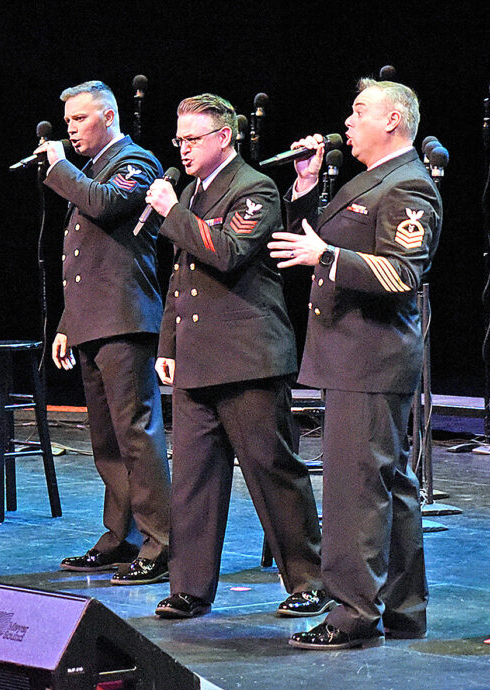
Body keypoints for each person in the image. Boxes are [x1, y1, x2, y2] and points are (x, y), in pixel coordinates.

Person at [142, 94, 327, 620]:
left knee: (273, 473)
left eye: (192, 139)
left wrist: (171, 212)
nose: (182, 149)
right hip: (198, 357)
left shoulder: (255, 188)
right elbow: (181, 279)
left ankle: (308, 580)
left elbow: (225, 252)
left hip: (248, 355)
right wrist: (169, 344)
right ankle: (191, 587)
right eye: (179, 140)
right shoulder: (190, 190)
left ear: (224, 137)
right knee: (195, 479)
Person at [271, 79, 439, 649]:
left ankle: (352, 615)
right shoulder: (372, 181)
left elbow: (403, 273)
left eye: (359, 111)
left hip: (370, 358)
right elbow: (315, 240)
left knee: (356, 493)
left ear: (393, 119)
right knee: (387, 487)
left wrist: (330, 257)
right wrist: (308, 185)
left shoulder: (408, 185)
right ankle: (402, 607)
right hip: (352, 356)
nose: (347, 120)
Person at [35, 81, 172, 585]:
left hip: (125, 319)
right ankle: (121, 537)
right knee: (107, 441)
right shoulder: (87, 171)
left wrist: (59, 169)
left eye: (80, 119)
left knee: (136, 435)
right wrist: (68, 325)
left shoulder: (135, 162)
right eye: (67, 120)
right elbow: (83, 262)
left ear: (109, 116)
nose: (70, 129)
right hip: (92, 323)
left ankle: (162, 545)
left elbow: (106, 205)